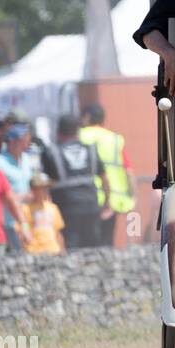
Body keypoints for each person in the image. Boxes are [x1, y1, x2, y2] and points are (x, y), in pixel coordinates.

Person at [41, 114, 111, 249]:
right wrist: (107, 202)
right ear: (77, 131)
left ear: (59, 132)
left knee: (71, 246)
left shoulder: (51, 152)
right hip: (91, 204)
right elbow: (104, 178)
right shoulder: (90, 149)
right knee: (93, 246)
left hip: (66, 208)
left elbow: (44, 185)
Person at [78, 104, 135, 244]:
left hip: (87, 196)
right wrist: (133, 195)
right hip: (113, 198)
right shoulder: (114, 139)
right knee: (107, 242)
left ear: (86, 117)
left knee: (86, 243)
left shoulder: (80, 136)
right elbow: (129, 171)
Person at [0, 123, 35, 253]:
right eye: (23, 139)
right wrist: (22, 197)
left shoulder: (27, 159)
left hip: (28, 218)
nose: (26, 141)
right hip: (8, 221)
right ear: (12, 142)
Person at [23, 172, 66, 255]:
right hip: (34, 251)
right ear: (33, 189)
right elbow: (23, 229)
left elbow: (58, 232)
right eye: (42, 188)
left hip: (53, 249)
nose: (45, 191)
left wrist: (62, 250)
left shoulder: (53, 207)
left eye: (46, 188)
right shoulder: (26, 209)